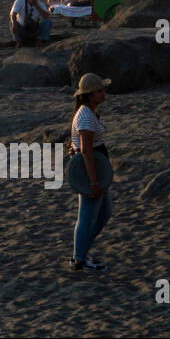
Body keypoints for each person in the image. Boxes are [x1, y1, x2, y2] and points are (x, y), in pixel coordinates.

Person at [69, 73, 112, 272]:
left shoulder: (89, 112)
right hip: (91, 170)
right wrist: (94, 182)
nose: (104, 93)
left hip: (97, 168)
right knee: (87, 215)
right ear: (89, 94)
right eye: (99, 90)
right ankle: (80, 258)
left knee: (103, 214)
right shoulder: (86, 115)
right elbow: (86, 151)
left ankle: (81, 252)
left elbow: (79, 144)